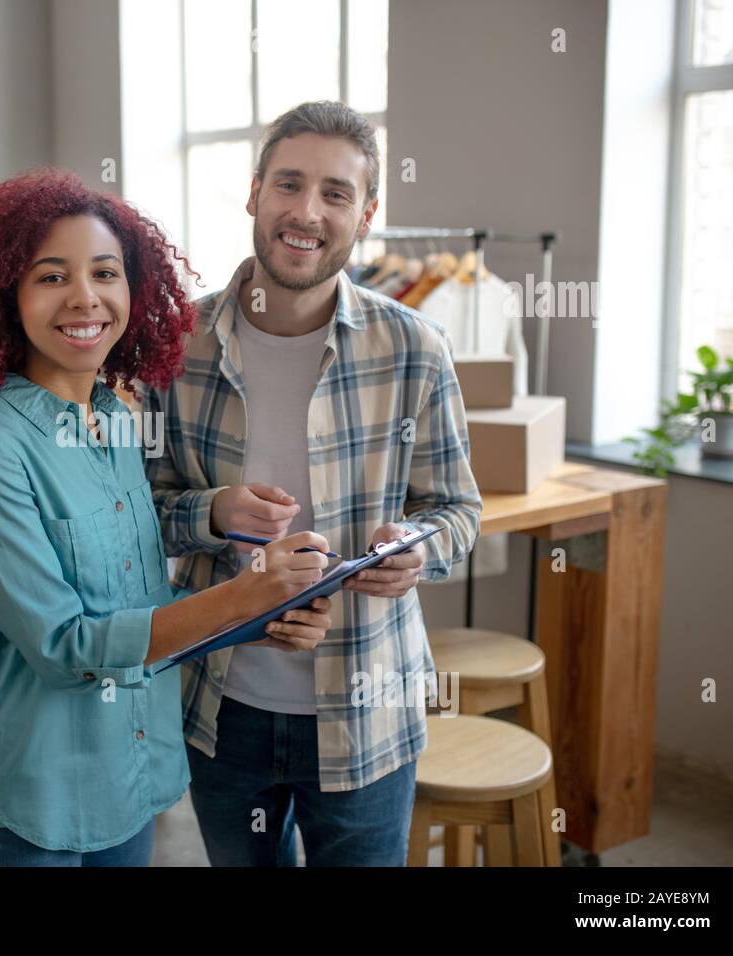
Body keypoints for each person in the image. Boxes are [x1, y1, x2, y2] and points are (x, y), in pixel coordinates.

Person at [0, 167, 336, 866]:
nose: (85, 298)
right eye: (51, 277)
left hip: (127, 783)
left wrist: (262, 617)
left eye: (105, 273)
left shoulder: (117, 423)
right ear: (5, 299)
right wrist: (238, 596)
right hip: (26, 805)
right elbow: (65, 647)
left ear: (133, 290)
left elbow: (140, 609)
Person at [145, 102, 483, 866]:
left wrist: (415, 551)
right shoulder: (175, 348)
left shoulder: (415, 348)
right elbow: (137, 514)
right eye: (288, 184)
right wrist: (215, 512)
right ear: (254, 192)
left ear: (366, 214)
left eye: (335, 193)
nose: (306, 211)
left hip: (369, 707)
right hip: (221, 703)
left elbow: (458, 510)